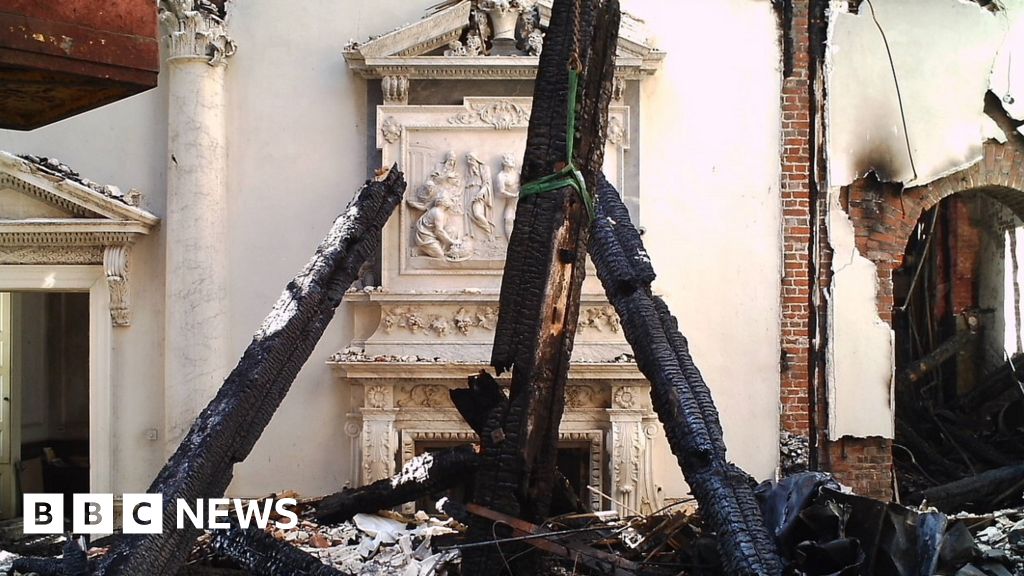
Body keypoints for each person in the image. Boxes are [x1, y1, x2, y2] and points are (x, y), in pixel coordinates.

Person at [465, 152, 495, 238]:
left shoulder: (484, 168)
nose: (469, 161)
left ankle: (489, 231)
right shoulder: (469, 170)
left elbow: (487, 182)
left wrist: (481, 192)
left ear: (476, 159)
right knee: (469, 213)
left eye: (471, 159)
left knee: (477, 214)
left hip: (479, 192)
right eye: (468, 160)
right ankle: (476, 235)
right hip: (469, 193)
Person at [496, 153, 520, 240]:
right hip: (511, 202)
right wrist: (513, 195)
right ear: (505, 162)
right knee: (508, 219)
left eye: (512, 159)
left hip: (521, 201)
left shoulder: (518, 173)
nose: (512, 161)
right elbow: (501, 191)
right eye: (510, 159)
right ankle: (510, 242)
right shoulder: (501, 176)